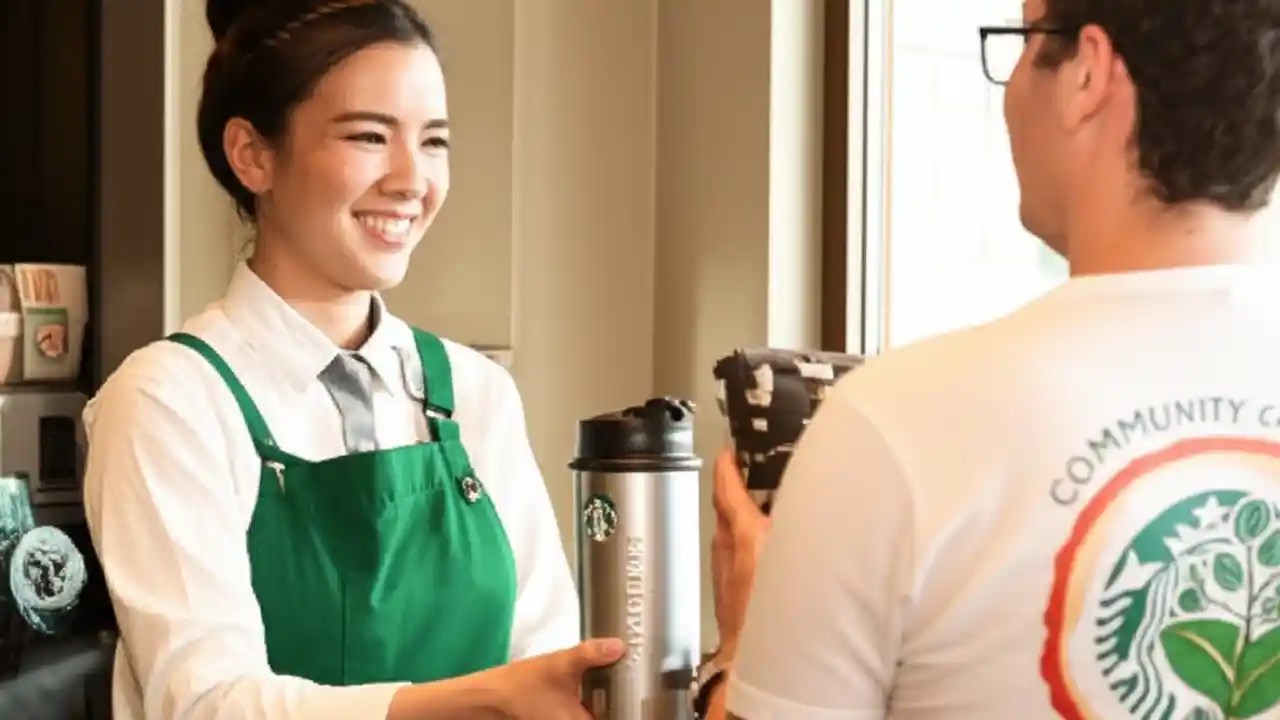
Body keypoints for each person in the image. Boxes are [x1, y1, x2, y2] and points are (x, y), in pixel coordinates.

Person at [697, 0, 1280, 718]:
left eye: (1023, 39)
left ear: (1087, 74)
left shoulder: (893, 428)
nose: (1007, 93)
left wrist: (741, 657)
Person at [81, 1, 624, 718]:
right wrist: (483, 699)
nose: (411, 180)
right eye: (369, 136)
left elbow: (546, 664)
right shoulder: (168, 401)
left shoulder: (476, 393)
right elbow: (205, 702)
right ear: (252, 154)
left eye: (434, 143)